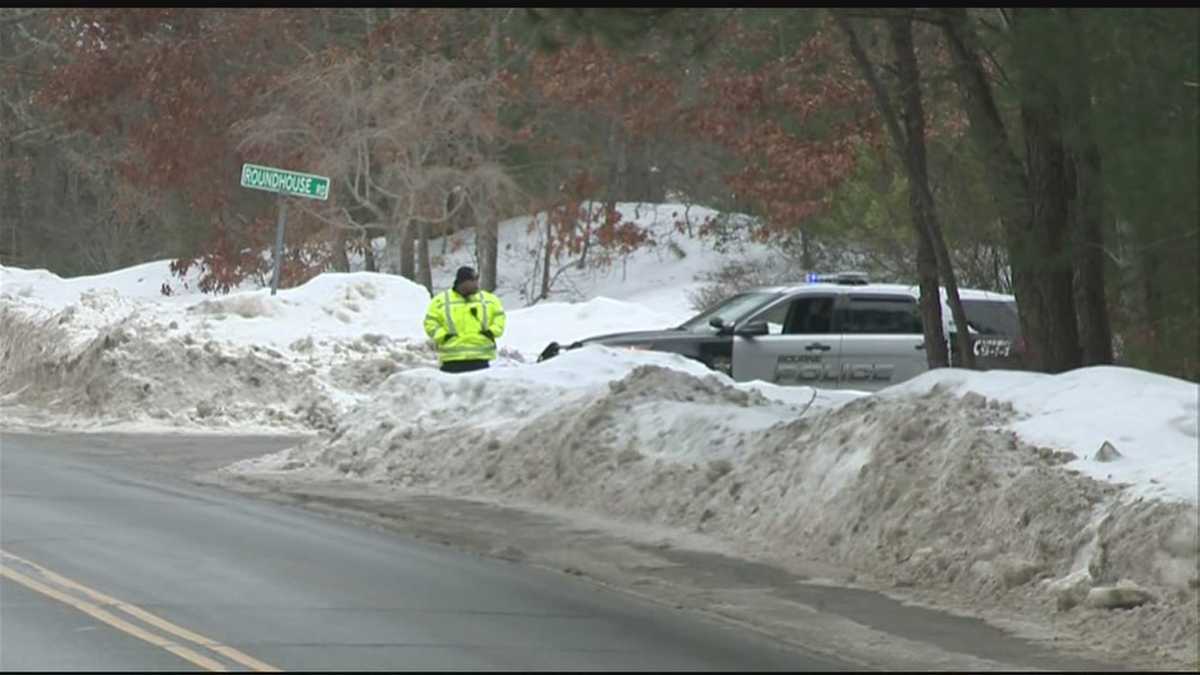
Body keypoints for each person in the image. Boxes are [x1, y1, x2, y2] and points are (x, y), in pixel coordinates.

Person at [424, 266, 507, 373]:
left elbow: (499, 317)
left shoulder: (489, 300)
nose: (476, 284)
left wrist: (492, 332)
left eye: (477, 280)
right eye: (472, 281)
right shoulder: (441, 301)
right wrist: (443, 336)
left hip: (480, 357)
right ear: (463, 282)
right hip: (452, 359)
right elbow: (430, 322)